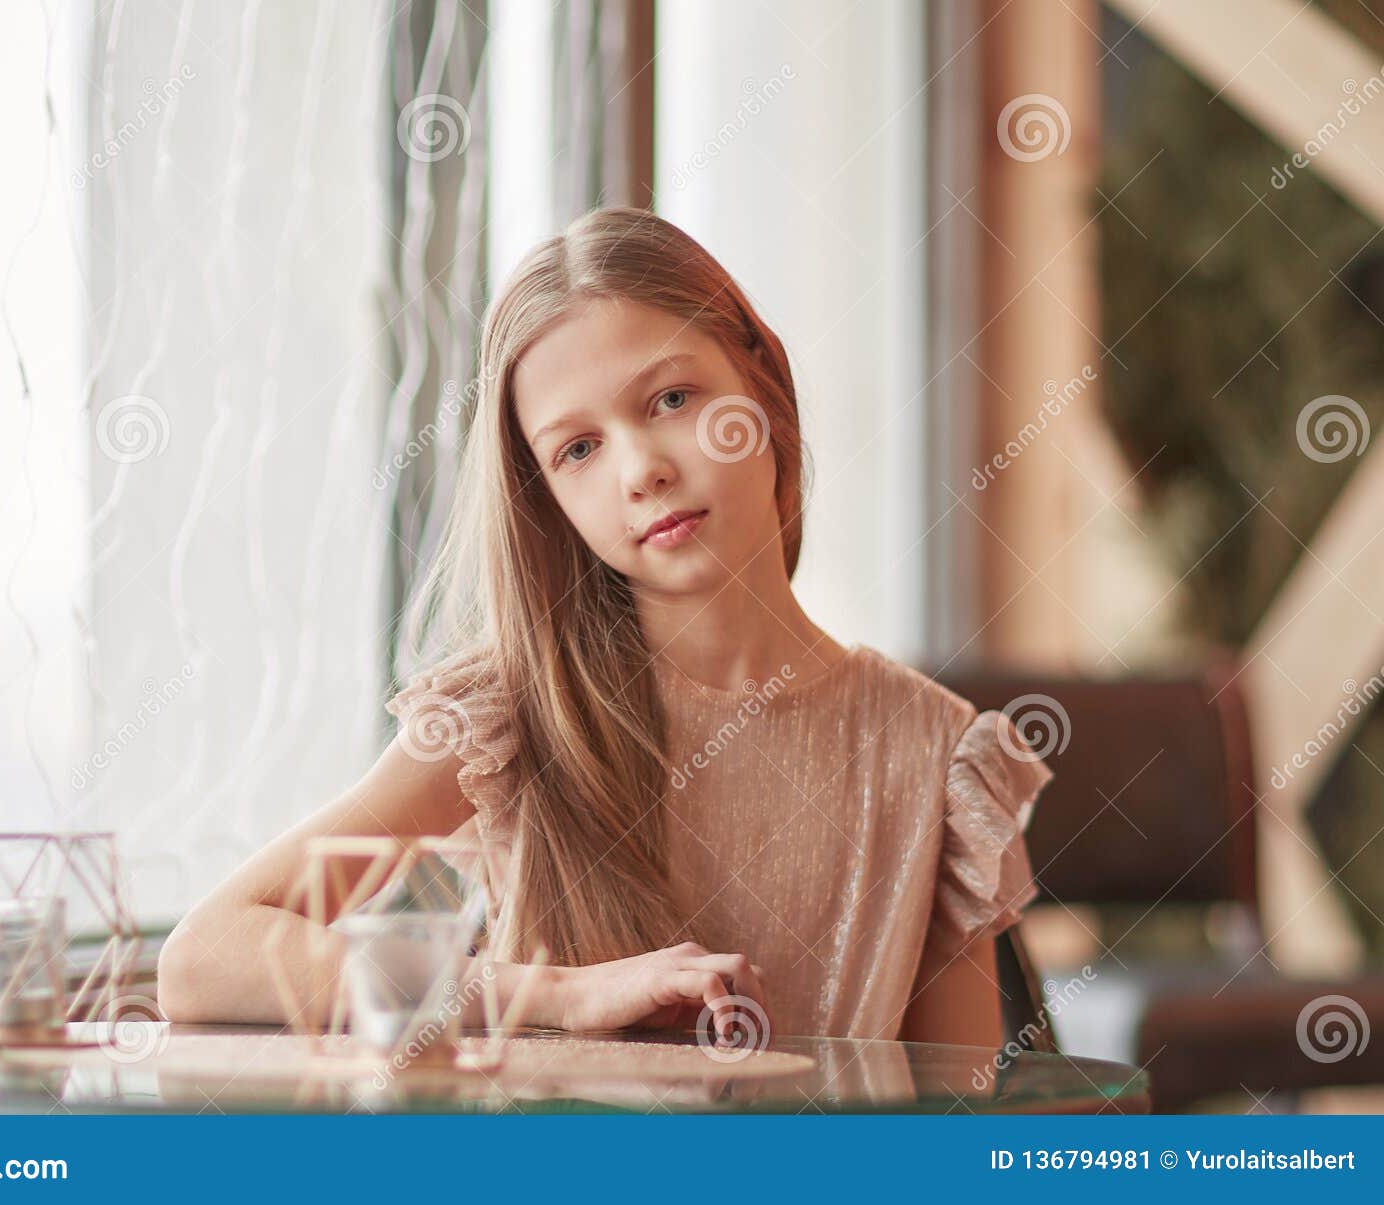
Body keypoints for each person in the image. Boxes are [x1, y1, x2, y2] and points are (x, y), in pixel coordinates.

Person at [157, 207, 1052, 1049]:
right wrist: (555, 996)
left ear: (763, 384)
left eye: (670, 399)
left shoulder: (940, 754)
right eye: (577, 449)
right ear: (549, 501)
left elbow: (950, 1123)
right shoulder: (510, 716)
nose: (642, 470)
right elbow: (202, 958)